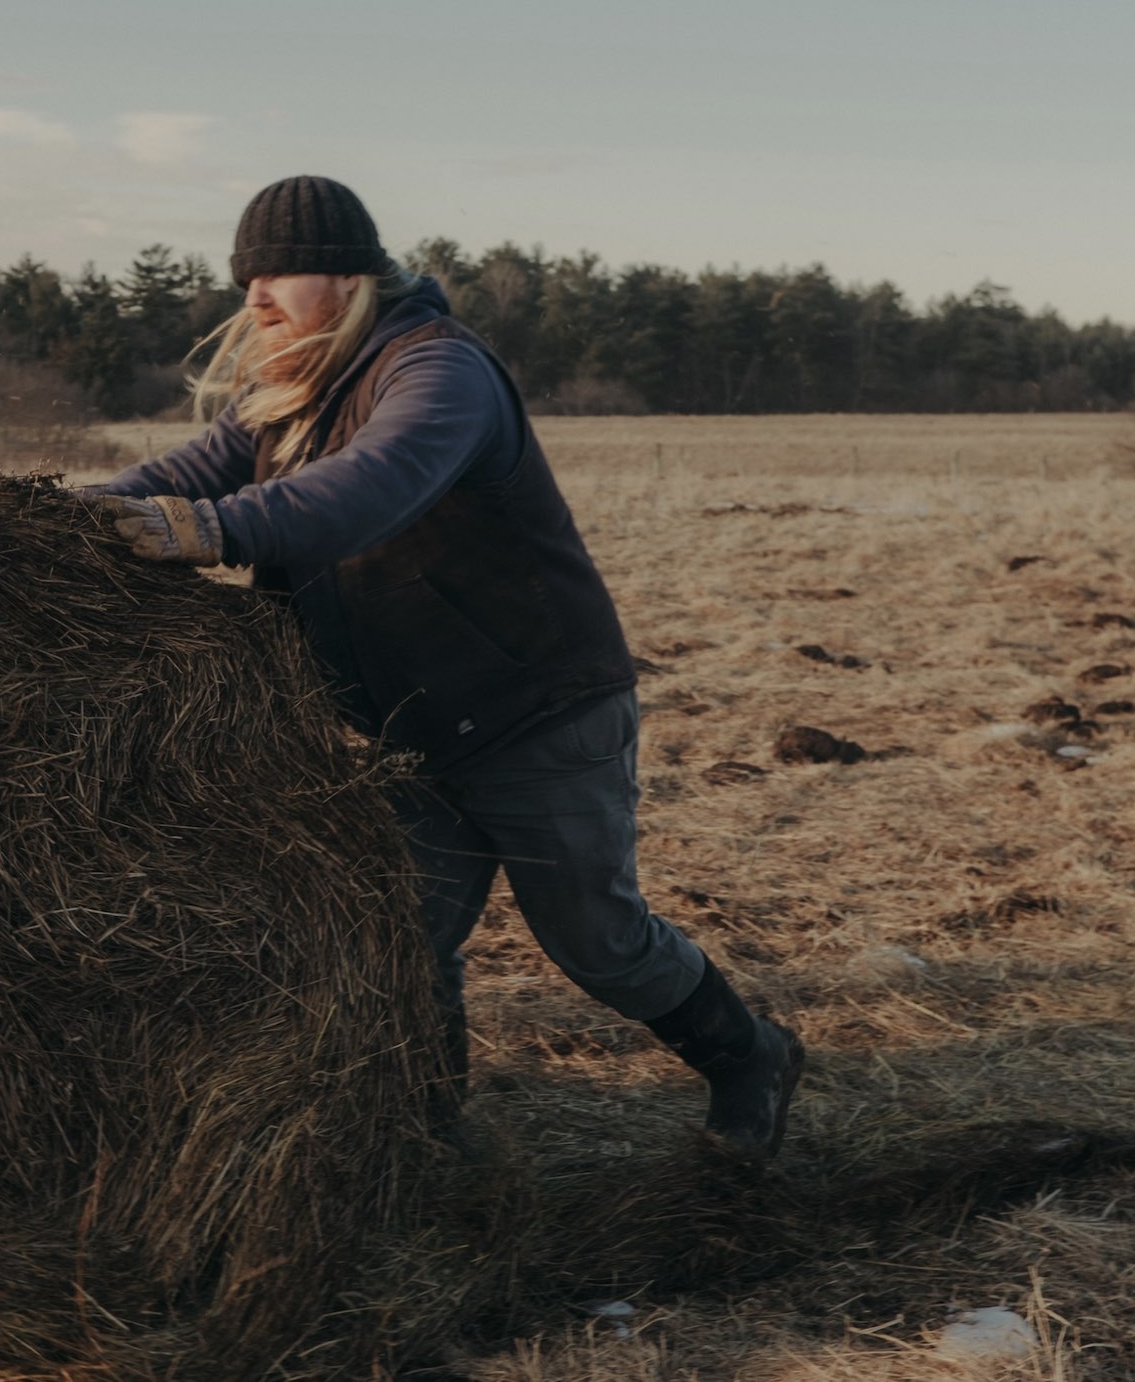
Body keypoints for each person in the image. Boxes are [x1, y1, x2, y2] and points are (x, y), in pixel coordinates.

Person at [90, 176, 802, 1157]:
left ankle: (748, 1055)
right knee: (396, 936)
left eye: (275, 274)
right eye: (244, 277)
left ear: (347, 278)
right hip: (409, 729)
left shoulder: (437, 371)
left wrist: (209, 531)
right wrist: (49, 517)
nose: (252, 298)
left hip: (534, 712)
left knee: (598, 943)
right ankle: (427, 1138)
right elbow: (169, 478)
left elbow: (369, 489)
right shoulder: (291, 397)